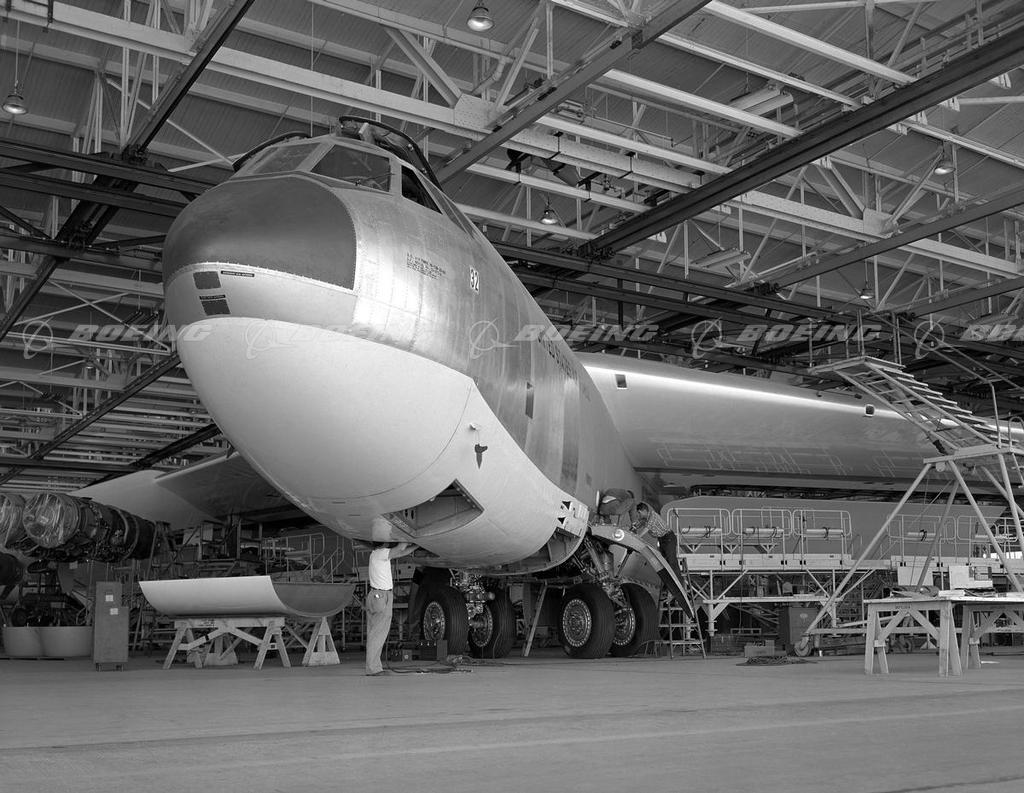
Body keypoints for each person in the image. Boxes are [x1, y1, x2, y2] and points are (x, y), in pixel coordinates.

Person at [365, 537, 415, 676]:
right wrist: (408, 537)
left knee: (376, 632)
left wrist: (415, 547)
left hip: (378, 595)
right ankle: (373, 669)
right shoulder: (380, 553)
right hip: (381, 596)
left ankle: (375, 666)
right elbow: (400, 548)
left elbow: (400, 553)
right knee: (378, 633)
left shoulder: (377, 554)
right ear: (384, 543)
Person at [633, 501, 684, 582]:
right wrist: (633, 528)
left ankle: (679, 583)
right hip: (662, 540)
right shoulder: (644, 518)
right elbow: (638, 524)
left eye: (639, 513)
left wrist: (636, 537)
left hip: (668, 538)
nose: (639, 515)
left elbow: (646, 529)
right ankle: (668, 583)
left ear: (644, 511)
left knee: (672, 562)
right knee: (664, 563)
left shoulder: (653, 516)